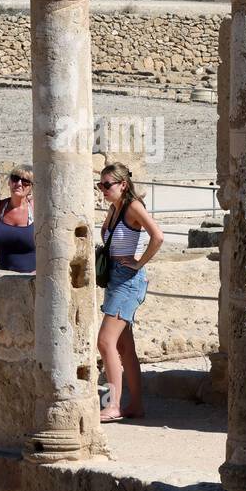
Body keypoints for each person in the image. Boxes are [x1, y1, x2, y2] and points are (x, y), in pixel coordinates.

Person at [96, 162, 164, 423]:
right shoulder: (114, 208)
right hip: (114, 277)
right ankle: (135, 405)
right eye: (100, 185)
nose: (102, 189)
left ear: (122, 184)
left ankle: (113, 405)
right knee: (124, 347)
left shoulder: (133, 207)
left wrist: (139, 263)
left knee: (105, 342)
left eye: (107, 185)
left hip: (127, 280)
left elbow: (157, 236)